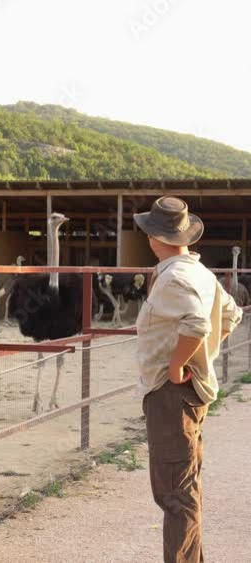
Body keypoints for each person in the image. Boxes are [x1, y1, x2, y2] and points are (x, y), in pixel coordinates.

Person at [134, 196, 243, 563]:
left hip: (171, 392)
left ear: (153, 236)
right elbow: (231, 315)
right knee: (186, 487)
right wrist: (203, 354)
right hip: (189, 392)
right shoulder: (200, 273)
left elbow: (197, 324)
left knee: (175, 496)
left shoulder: (175, 277)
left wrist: (180, 363)